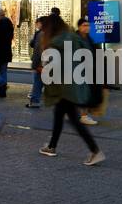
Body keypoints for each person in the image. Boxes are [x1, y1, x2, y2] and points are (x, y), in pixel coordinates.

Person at [37, 15, 105, 165]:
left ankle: (95, 151)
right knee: (61, 115)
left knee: (73, 119)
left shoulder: (55, 42)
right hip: (75, 83)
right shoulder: (73, 36)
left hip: (65, 87)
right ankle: (52, 146)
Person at [76, 17, 102, 126]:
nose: (87, 28)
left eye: (88, 25)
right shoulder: (76, 39)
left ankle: (75, 114)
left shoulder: (89, 38)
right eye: (84, 25)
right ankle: (83, 116)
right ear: (79, 27)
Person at [27, 14, 49, 108]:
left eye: (38, 23)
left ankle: (35, 101)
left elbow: (39, 50)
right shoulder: (46, 33)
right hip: (45, 63)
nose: (37, 24)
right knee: (39, 82)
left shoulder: (41, 34)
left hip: (41, 63)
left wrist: (37, 64)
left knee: (38, 82)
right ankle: (35, 100)